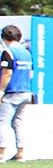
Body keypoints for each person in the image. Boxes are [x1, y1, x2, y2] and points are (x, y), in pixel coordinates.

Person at [0, 24, 31, 160]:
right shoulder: (27, 53)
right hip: (26, 91)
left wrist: (1, 90)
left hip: (12, 91)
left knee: (2, 121)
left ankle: (1, 151)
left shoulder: (8, 52)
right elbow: (30, 74)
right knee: (18, 122)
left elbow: (7, 73)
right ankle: (21, 151)